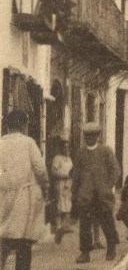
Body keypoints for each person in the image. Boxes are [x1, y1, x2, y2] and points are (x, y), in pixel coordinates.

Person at [0, 109, 48, 270]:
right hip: (23, 198)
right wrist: (45, 186)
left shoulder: (0, 143)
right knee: (23, 240)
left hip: (2, 197)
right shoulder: (28, 143)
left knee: (3, 238)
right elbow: (40, 168)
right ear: (23, 125)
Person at [72, 122, 120, 263]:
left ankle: (111, 248)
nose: (90, 138)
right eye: (87, 136)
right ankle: (85, 253)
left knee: (107, 222)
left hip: (102, 196)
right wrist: (75, 193)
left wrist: (107, 186)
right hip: (85, 195)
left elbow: (115, 171)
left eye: (93, 136)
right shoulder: (80, 153)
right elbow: (76, 174)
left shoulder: (106, 150)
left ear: (98, 136)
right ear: (84, 137)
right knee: (85, 225)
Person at [50, 138, 73, 244]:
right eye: (64, 146)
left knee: (67, 205)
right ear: (61, 148)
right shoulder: (57, 158)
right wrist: (64, 175)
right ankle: (58, 227)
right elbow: (53, 171)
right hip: (60, 183)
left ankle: (65, 227)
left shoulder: (69, 159)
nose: (66, 148)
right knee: (60, 205)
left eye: (68, 147)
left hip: (68, 184)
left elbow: (72, 171)